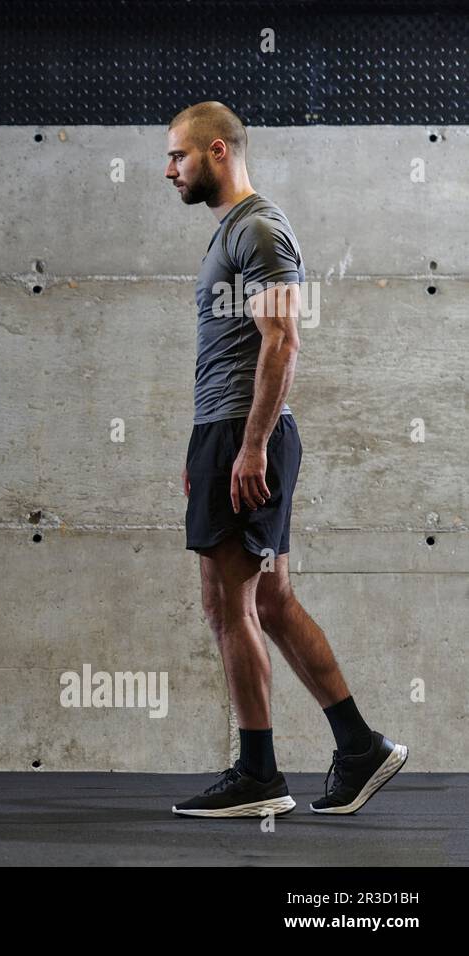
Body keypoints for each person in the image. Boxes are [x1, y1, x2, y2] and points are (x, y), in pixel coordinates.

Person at [165, 101, 407, 818]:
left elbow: (283, 341)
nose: (167, 170)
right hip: (227, 430)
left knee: (225, 604)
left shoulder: (260, 230)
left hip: (246, 430)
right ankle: (359, 747)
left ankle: (259, 775)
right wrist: (209, 444)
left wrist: (249, 446)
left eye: (177, 156)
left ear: (216, 150)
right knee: (268, 600)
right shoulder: (232, 234)